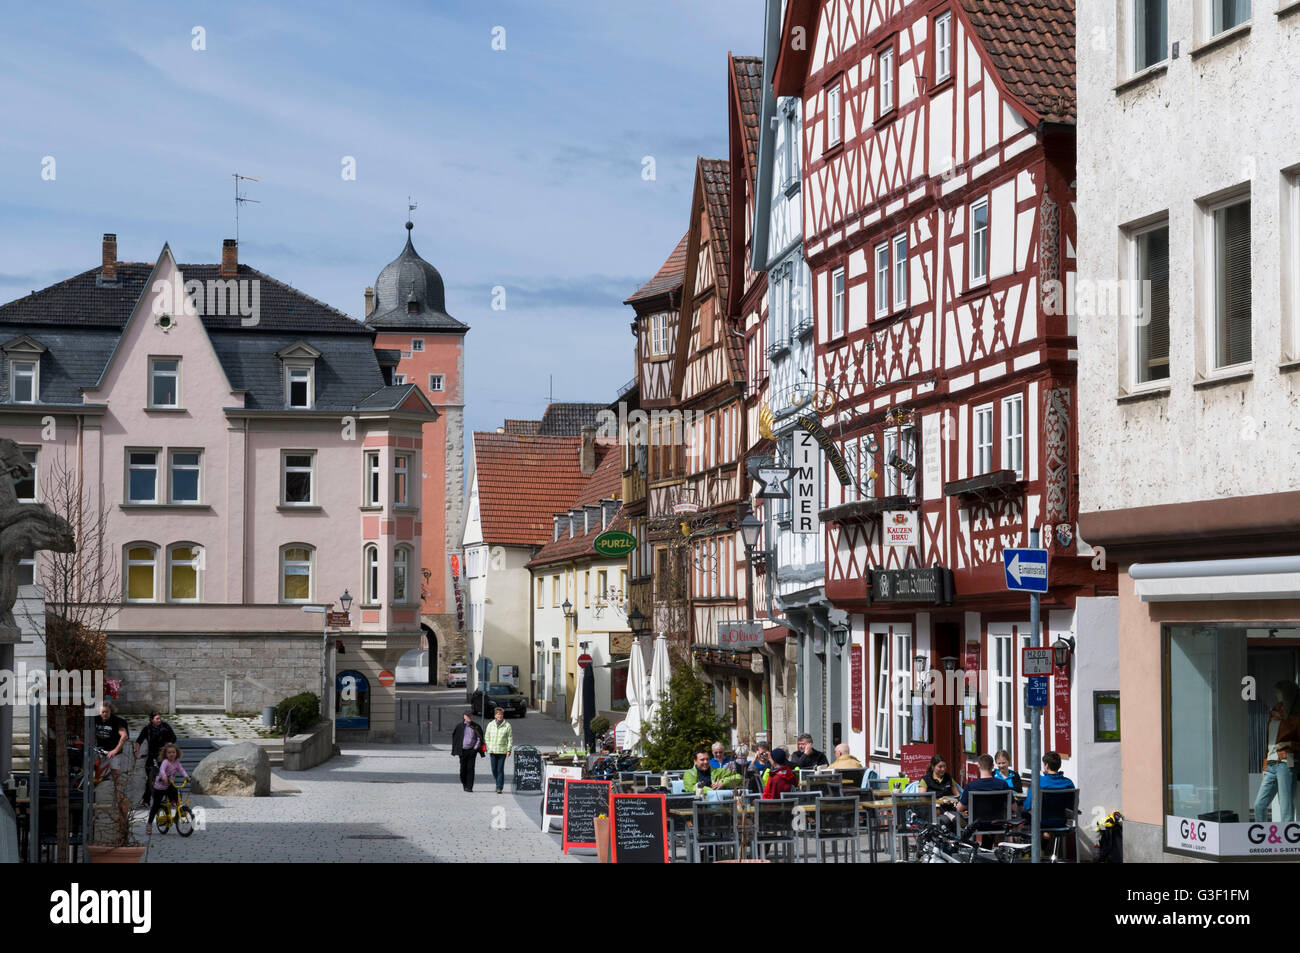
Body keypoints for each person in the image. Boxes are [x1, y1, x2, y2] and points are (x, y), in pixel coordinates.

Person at [1255, 681, 1300, 823]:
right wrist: (1264, 765)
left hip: (1286, 762)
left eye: (1279, 692)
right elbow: (1269, 742)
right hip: (1271, 763)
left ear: (1287, 694)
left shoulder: (1296, 717)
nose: (1277, 695)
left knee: (1285, 808)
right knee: (1259, 805)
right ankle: (1260, 837)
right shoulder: (1274, 713)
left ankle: (1286, 842)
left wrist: (1288, 743)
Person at [93, 701, 131, 825]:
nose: (104, 714)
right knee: (96, 772)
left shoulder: (117, 721)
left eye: (107, 712)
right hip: (100, 750)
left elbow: (124, 736)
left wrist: (115, 750)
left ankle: (119, 799)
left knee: (116, 774)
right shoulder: (96, 719)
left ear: (111, 711)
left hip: (114, 752)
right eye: (102, 712)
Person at [134, 711, 177, 807]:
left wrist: (169, 744)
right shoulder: (147, 729)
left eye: (160, 718)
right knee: (150, 778)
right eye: (157, 718)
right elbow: (139, 741)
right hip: (151, 755)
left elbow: (174, 737)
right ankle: (146, 800)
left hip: (163, 755)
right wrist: (137, 752)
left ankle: (173, 799)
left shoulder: (165, 726)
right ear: (151, 720)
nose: (159, 720)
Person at [144, 743, 188, 836]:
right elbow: (162, 770)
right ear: (165, 754)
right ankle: (149, 824)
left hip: (169, 785)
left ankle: (179, 809)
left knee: (176, 796)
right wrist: (164, 777)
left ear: (176, 753)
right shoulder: (165, 762)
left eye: (173, 752)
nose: (171, 754)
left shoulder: (176, 762)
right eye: (169, 752)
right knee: (155, 806)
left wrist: (187, 777)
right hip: (160, 787)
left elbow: (182, 769)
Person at [1023, 751, 1074, 820]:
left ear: (1046, 766)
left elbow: (1027, 805)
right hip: (1061, 821)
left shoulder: (1039, 782)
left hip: (1041, 822)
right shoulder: (1068, 783)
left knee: (1023, 812)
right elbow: (1072, 806)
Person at [958, 754, 1011, 820]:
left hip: (976, 825)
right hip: (999, 824)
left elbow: (959, 808)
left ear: (978, 765)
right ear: (992, 766)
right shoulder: (1003, 784)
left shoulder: (971, 786)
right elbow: (1013, 807)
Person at [919, 754, 963, 828]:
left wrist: (950, 799)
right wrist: (938, 801)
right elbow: (922, 799)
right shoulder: (925, 779)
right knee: (944, 820)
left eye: (944, 766)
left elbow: (957, 795)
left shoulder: (948, 778)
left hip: (948, 808)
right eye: (940, 767)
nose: (943, 769)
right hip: (933, 810)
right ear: (933, 767)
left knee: (960, 819)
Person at [450, 711, 485, 792]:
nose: (469, 717)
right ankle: (464, 784)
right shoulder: (459, 726)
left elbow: (479, 738)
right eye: (467, 715)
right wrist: (456, 749)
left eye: (470, 715)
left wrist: (475, 749)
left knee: (470, 768)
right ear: (464, 716)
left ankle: (469, 787)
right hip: (462, 751)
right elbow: (455, 738)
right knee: (463, 769)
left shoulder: (476, 726)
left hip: (472, 750)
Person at [484, 707, 513, 795]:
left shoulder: (507, 725)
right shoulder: (490, 724)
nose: (499, 716)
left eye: (501, 714)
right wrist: (489, 747)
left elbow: (510, 738)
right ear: (495, 715)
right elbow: (487, 737)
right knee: (494, 769)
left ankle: (499, 787)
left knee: (500, 769)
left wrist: (509, 750)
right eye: (498, 714)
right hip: (492, 751)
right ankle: (498, 782)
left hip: (502, 751)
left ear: (503, 715)